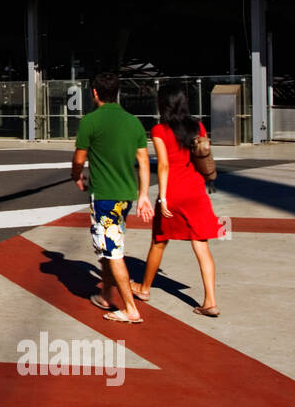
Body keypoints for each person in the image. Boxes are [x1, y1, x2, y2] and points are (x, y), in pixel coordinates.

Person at [71, 70, 154, 324]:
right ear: (117, 92)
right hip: (126, 196)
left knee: (113, 252)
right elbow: (143, 160)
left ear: (95, 93)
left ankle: (130, 308)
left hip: (104, 196)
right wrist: (143, 195)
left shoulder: (90, 121)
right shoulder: (133, 122)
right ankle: (106, 294)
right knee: (108, 247)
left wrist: (76, 175)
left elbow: (79, 158)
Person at [132, 83, 221, 316]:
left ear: (163, 103)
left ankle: (144, 288)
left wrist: (161, 196)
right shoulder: (198, 126)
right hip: (196, 191)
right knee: (202, 245)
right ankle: (210, 301)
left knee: (159, 241)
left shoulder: (159, 130)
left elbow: (163, 164)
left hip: (173, 193)